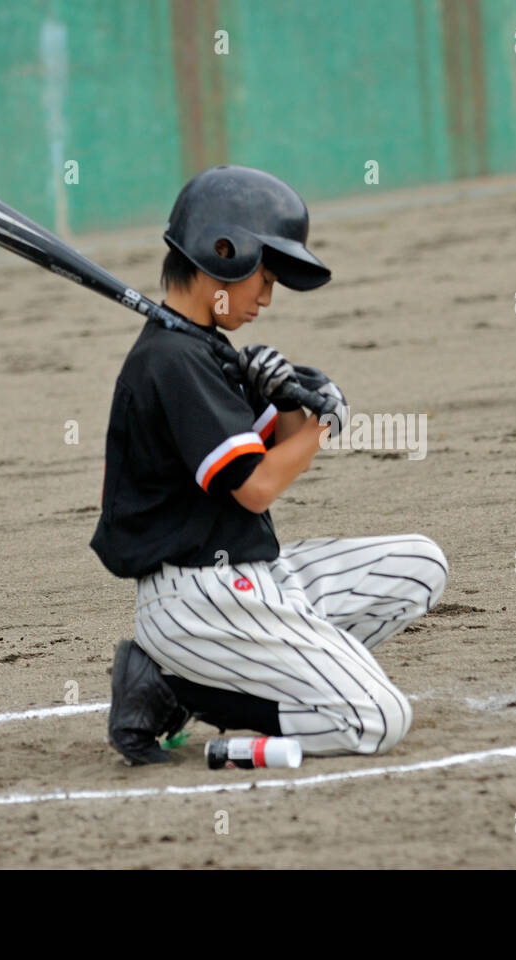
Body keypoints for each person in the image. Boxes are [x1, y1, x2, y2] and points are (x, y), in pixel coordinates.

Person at [91, 165, 448, 765]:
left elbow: (264, 448)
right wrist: (320, 425)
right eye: (265, 274)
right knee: (378, 720)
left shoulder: (201, 347)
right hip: (200, 602)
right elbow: (256, 487)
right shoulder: (172, 361)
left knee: (420, 565)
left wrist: (286, 401)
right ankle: (189, 692)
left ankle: (205, 678)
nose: (267, 295)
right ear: (223, 252)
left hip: (254, 576)